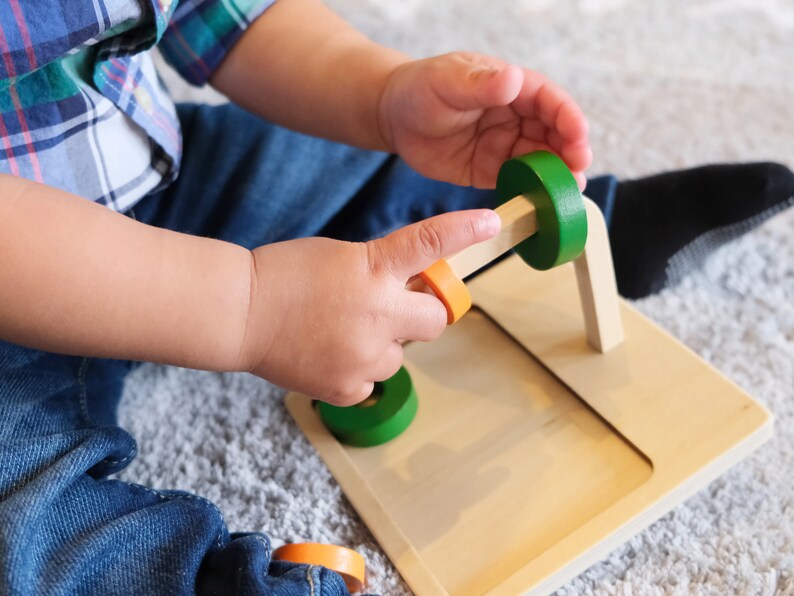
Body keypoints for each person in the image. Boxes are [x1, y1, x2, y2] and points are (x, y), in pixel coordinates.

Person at [1, 0, 792, 593]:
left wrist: (381, 93)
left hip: (139, 164)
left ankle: (596, 224)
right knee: (21, 518)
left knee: (323, 169)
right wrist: (250, 305)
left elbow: (229, 17)